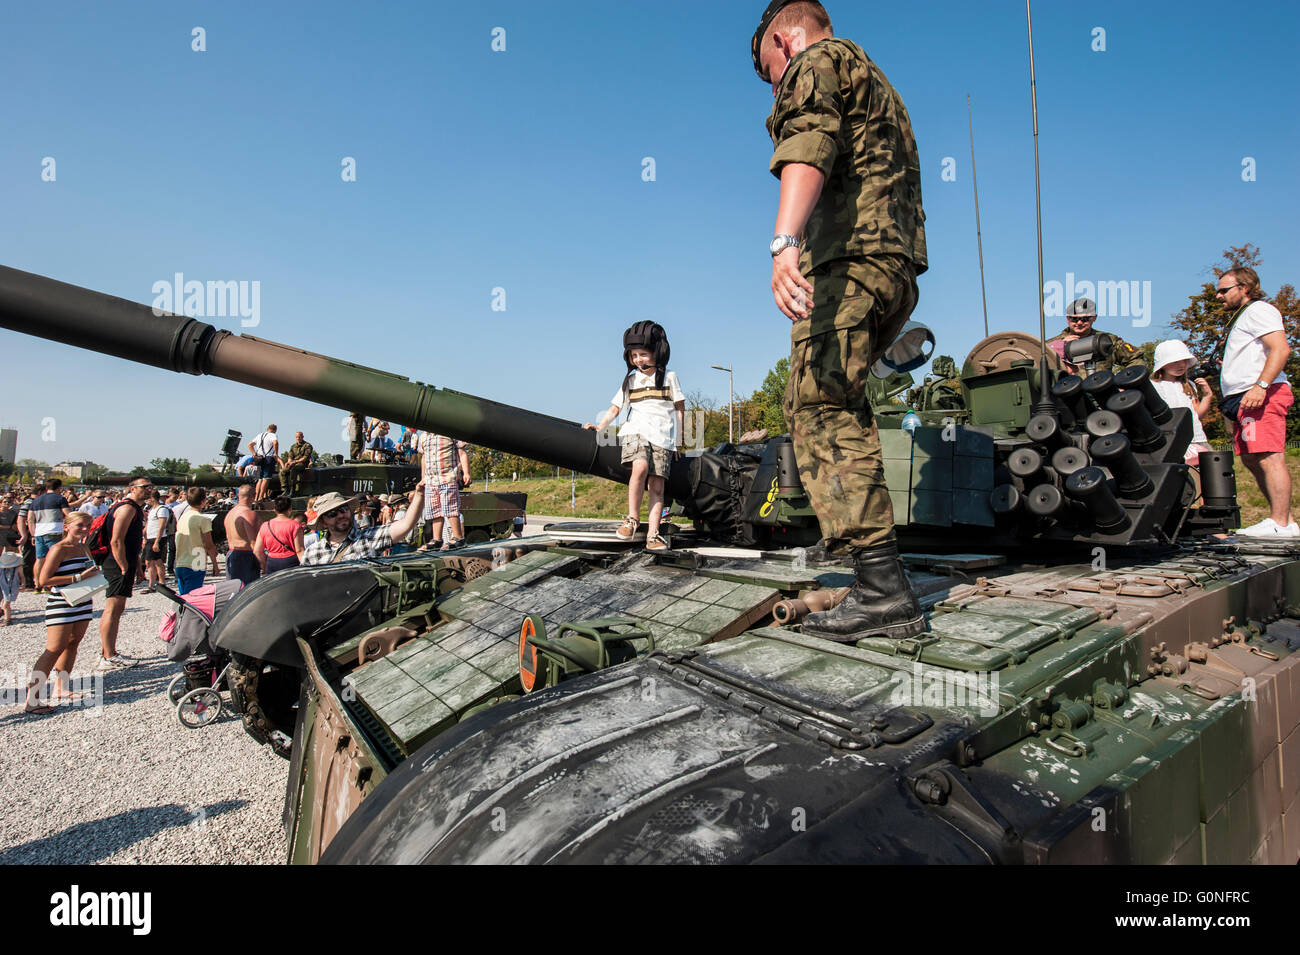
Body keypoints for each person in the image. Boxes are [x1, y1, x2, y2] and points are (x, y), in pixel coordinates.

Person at [753, 0, 927, 641]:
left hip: (850, 264)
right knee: (842, 402)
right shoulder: (880, 83)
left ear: (782, 38)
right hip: (894, 268)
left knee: (819, 405)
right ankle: (864, 559)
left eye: (768, 69)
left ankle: (882, 590)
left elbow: (810, 145)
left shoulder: (816, 62)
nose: (774, 83)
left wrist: (783, 242)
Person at [584, 321, 685, 552]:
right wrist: (600, 427)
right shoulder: (630, 381)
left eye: (644, 354)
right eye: (634, 355)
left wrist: (679, 441)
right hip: (636, 431)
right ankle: (632, 519)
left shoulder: (670, 377)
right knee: (639, 468)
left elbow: (680, 409)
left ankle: (653, 534)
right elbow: (615, 409)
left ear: (657, 353)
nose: (639, 360)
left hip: (662, 438)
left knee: (657, 486)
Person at [1215, 267, 1295, 536]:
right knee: (1251, 457)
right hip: (1242, 398)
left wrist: (1261, 385)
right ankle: (1286, 521)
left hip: (1261, 393)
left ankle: (1280, 522)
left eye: (1224, 290)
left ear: (1245, 288)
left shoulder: (1259, 310)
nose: (1218, 296)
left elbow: (1281, 348)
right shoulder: (1242, 317)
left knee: (1268, 456)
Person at [24, 512, 101, 713]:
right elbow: (43, 580)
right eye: (80, 525)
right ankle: (33, 699)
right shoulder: (58, 549)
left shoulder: (83, 547)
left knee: (73, 643)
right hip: (62, 603)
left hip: (82, 601)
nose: (85, 529)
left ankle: (61, 687)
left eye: (87, 525)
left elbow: (87, 570)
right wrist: (77, 578)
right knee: (53, 649)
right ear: (66, 526)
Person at [96, 478, 149, 668]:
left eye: (150, 487)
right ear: (132, 489)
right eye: (144, 487)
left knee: (117, 608)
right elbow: (116, 541)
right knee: (113, 608)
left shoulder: (133, 508)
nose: (149, 490)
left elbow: (130, 542)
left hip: (124, 562)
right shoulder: (127, 508)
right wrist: (124, 566)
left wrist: (137, 567)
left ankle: (108, 651)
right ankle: (108, 655)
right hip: (117, 563)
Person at [302, 485, 426, 565]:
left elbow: (406, 524)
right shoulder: (312, 553)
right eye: (332, 514)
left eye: (343, 509)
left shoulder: (369, 538)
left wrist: (419, 494)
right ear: (323, 522)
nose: (340, 515)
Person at [1150, 341, 1213, 464]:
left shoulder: (1190, 385)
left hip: (1196, 438)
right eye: (1175, 361)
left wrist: (1207, 395)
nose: (1182, 365)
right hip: (1172, 441)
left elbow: (1197, 414)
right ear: (1162, 364)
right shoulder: (1154, 386)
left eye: (1184, 360)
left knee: (1209, 475)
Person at [1046, 297, 1140, 376]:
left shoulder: (1107, 341)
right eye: (1074, 319)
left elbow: (1137, 360)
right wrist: (1057, 350)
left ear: (1094, 317)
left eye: (1084, 319)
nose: (1079, 323)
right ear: (1067, 319)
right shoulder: (1049, 346)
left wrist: (1124, 383)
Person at [414, 431, 471, 551]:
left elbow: (462, 453)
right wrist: (423, 477)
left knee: (450, 508)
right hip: (431, 480)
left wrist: (466, 472)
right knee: (435, 511)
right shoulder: (423, 437)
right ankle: (437, 539)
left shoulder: (449, 432)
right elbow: (424, 458)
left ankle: (458, 537)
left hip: (447, 477)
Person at [29, 478, 72, 594]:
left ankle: (38, 585)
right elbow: (68, 515)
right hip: (55, 531)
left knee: (39, 559)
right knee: (54, 558)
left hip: (39, 532)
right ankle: (50, 583)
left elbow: (30, 519)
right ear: (59, 488)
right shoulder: (60, 499)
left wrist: (33, 534)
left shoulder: (36, 501)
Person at [174, 487, 218, 594]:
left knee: (183, 598)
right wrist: (215, 565)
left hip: (180, 562)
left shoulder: (183, 517)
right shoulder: (203, 520)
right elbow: (209, 545)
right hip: (196, 563)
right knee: (193, 598)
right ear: (203, 501)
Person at [254, 496, 305, 574]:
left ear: (275, 510)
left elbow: (257, 551)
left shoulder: (265, 525)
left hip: (272, 562)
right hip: (291, 562)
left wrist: (264, 566)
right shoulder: (295, 525)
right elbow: (300, 550)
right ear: (290, 509)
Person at [223, 484, 262, 585]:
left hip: (231, 553)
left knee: (234, 591)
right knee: (249, 593)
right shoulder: (249, 514)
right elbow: (254, 543)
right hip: (246, 556)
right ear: (253, 496)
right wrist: (264, 563)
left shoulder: (230, 514)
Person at [142, 489, 172, 592]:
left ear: (152, 498)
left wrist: (157, 542)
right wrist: (145, 537)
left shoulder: (162, 509)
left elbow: (161, 526)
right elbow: (148, 523)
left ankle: (160, 583)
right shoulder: (152, 510)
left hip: (157, 538)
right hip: (150, 538)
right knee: (150, 562)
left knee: (157, 561)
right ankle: (153, 583)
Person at [248, 424, 280, 502]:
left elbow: (250, 445)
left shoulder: (260, 435)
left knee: (260, 479)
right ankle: (261, 497)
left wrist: (254, 453)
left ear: (267, 428)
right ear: (275, 430)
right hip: (268, 458)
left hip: (259, 458)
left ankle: (256, 497)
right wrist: (276, 453)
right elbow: (275, 443)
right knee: (266, 478)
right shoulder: (272, 435)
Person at [280, 431, 314, 496]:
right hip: (293, 463)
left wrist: (295, 462)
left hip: (303, 463)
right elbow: (290, 456)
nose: (298, 438)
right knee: (283, 471)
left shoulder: (307, 445)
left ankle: (292, 490)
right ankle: (285, 489)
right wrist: (288, 462)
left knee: (293, 470)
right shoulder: (293, 446)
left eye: (299, 437)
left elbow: (305, 457)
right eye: (296, 437)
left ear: (302, 437)